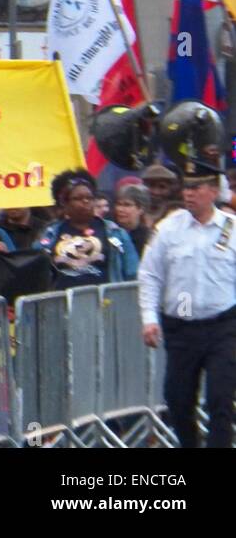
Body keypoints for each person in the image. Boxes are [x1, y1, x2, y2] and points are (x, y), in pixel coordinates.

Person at [138, 158, 236, 449]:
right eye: (187, 187)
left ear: (213, 191)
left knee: (221, 398)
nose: (189, 194)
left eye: (197, 188)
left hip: (224, 325)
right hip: (181, 327)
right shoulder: (169, 228)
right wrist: (149, 318)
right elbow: (149, 274)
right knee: (178, 399)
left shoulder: (232, 228)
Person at [38, 169, 138, 289]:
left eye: (89, 198)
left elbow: (133, 273)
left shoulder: (116, 232)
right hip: (62, 305)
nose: (85, 202)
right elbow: (37, 271)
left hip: (106, 305)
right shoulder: (50, 234)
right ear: (64, 203)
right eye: (78, 198)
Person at [114, 184, 152, 258]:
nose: (120, 209)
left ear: (141, 209)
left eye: (127, 205)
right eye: (118, 204)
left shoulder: (148, 238)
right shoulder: (111, 232)